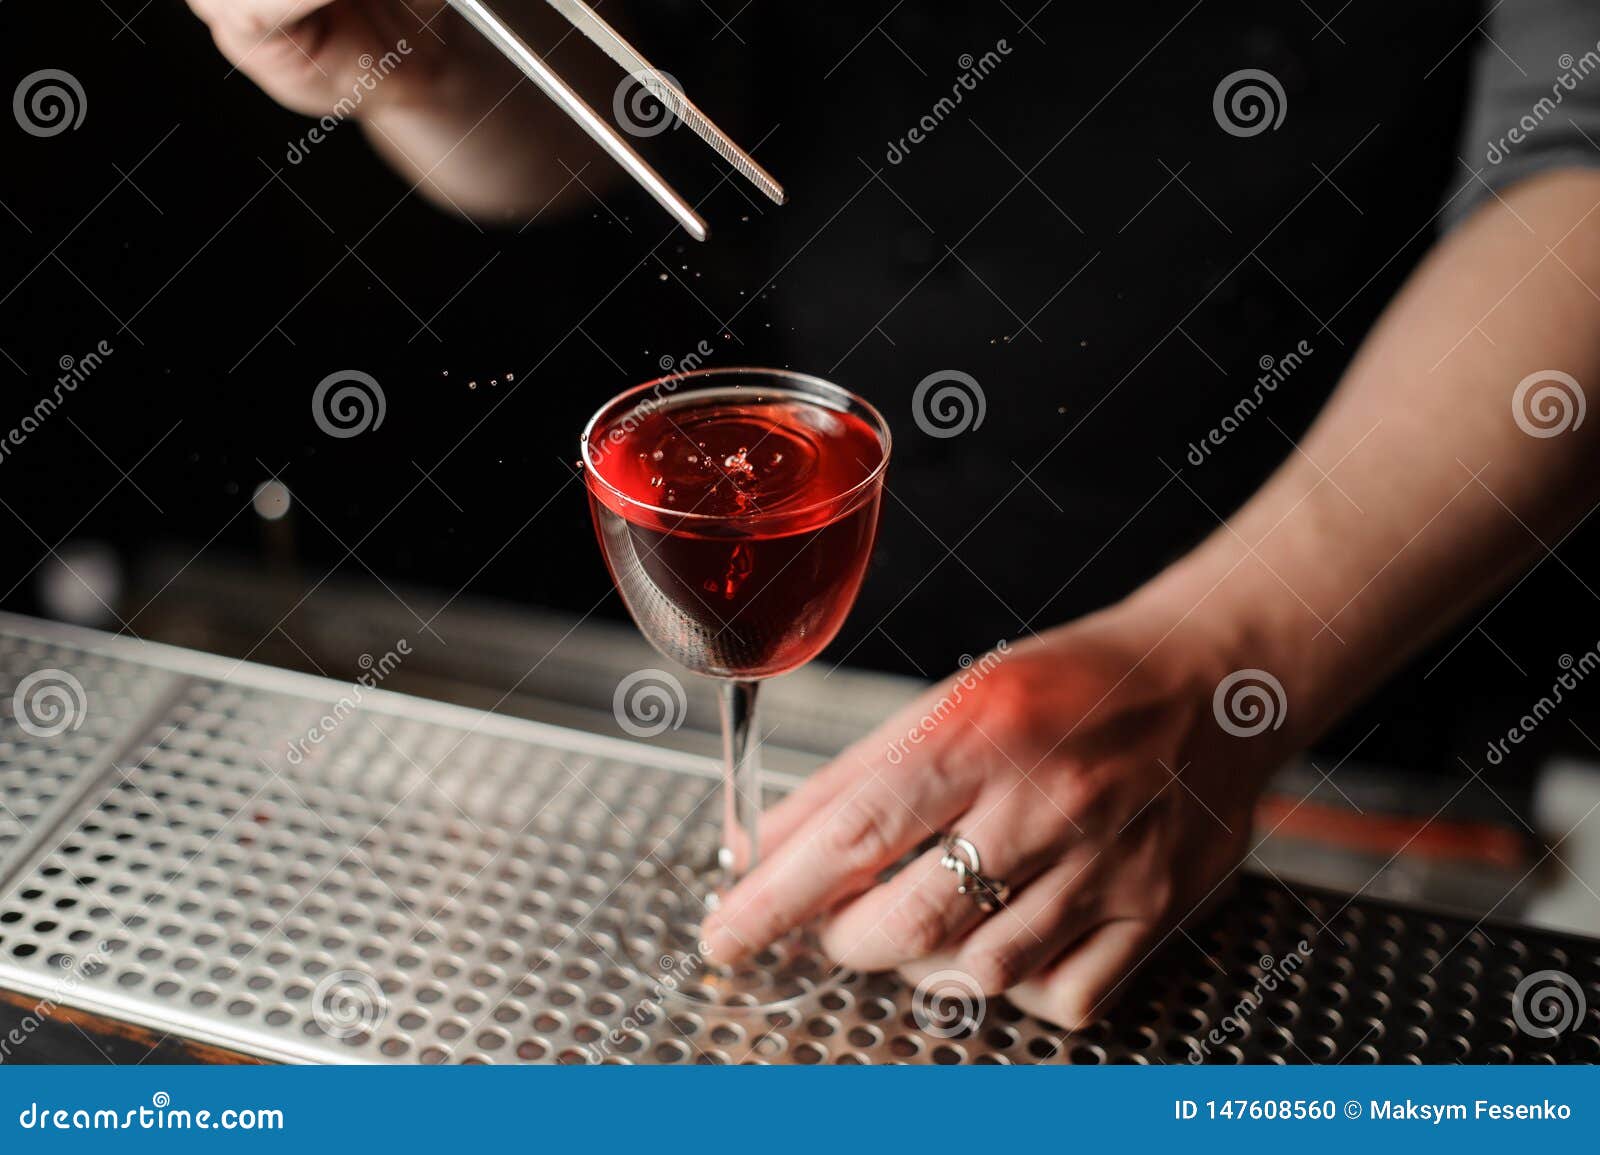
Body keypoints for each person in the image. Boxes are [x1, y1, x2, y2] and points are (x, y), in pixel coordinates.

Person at [187, 0, 1600, 1028]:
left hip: (1347, 681)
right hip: (867, 586)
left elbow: (1576, 156)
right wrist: (411, 50)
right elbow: (639, 104)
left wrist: (1227, 662)